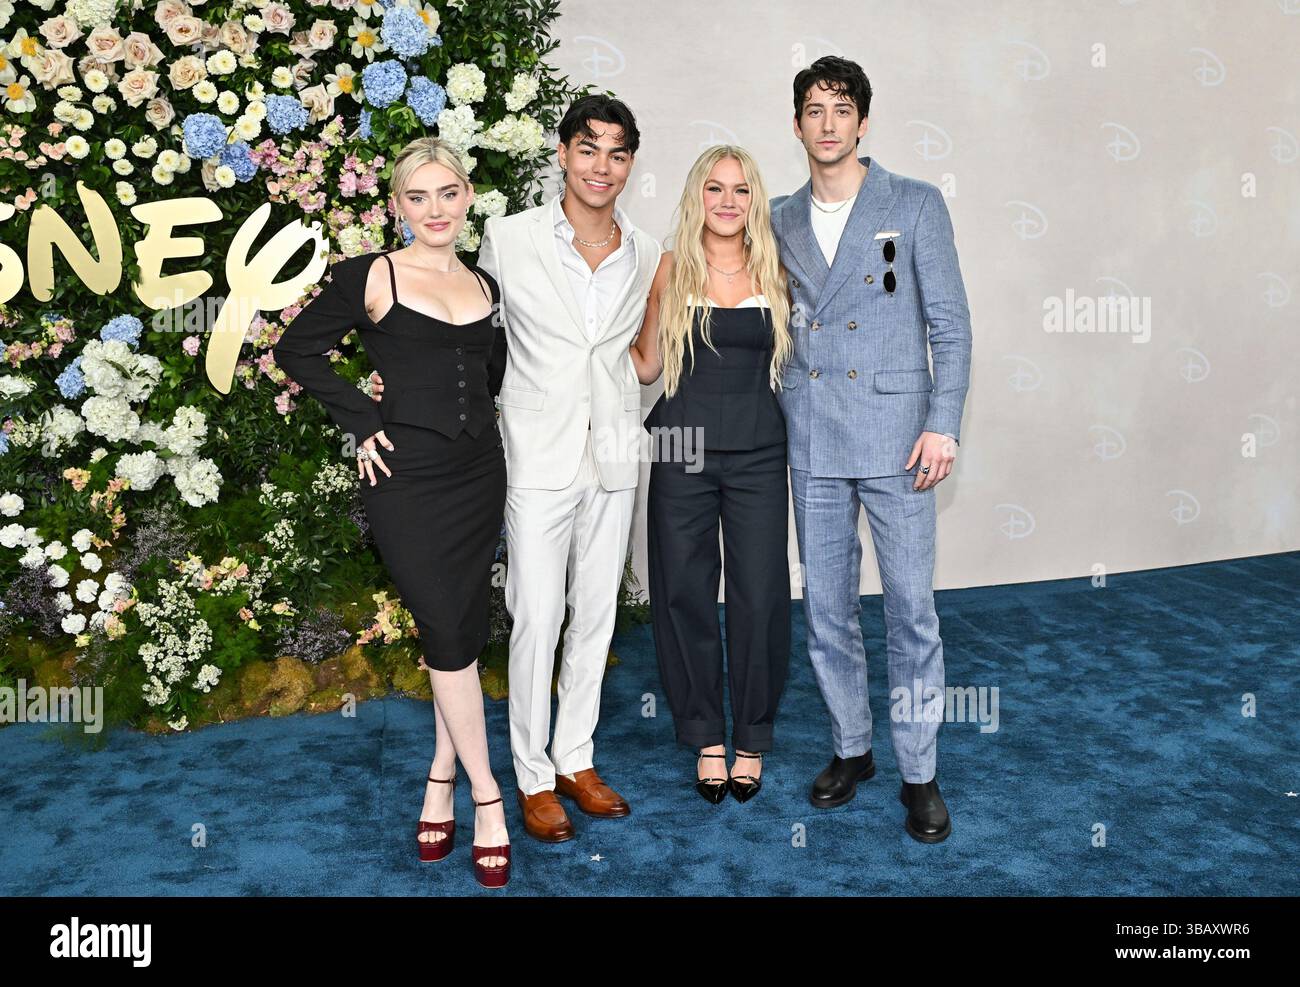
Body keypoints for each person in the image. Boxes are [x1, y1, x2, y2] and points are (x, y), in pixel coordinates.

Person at [368, 96, 661, 842]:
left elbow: (638, 353)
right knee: (536, 615)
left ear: (630, 163)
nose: (602, 166)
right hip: (534, 454)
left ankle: (576, 757)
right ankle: (530, 774)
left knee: (597, 613)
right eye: (588, 149)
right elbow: (468, 338)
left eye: (618, 152)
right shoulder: (507, 236)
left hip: (615, 453)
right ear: (562, 153)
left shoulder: (649, 250)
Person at [271, 136, 512, 886]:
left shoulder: (486, 283)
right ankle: (488, 796)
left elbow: (491, 377)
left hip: (479, 475)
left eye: (447, 193)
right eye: (418, 196)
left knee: (462, 637)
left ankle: (439, 774)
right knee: (444, 630)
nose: (434, 209)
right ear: (397, 205)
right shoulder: (369, 275)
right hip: (406, 479)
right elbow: (294, 351)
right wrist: (361, 420)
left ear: (466, 196)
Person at [770, 56, 972, 842]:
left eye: (841, 108)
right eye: (813, 109)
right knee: (826, 609)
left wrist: (943, 420)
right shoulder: (779, 216)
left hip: (900, 437)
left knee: (912, 610)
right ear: (796, 126)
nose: (827, 122)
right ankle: (852, 747)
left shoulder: (914, 203)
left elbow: (949, 324)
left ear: (863, 121)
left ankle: (919, 769)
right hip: (813, 434)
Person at [629, 145, 793, 804]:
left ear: (755, 199)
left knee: (759, 591)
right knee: (683, 592)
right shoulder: (669, 267)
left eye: (741, 190)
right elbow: (643, 365)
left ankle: (752, 733)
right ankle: (705, 735)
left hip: (758, 447)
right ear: (697, 194)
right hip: (681, 445)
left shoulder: (778, 267)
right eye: (715, 188)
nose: (728, 202)